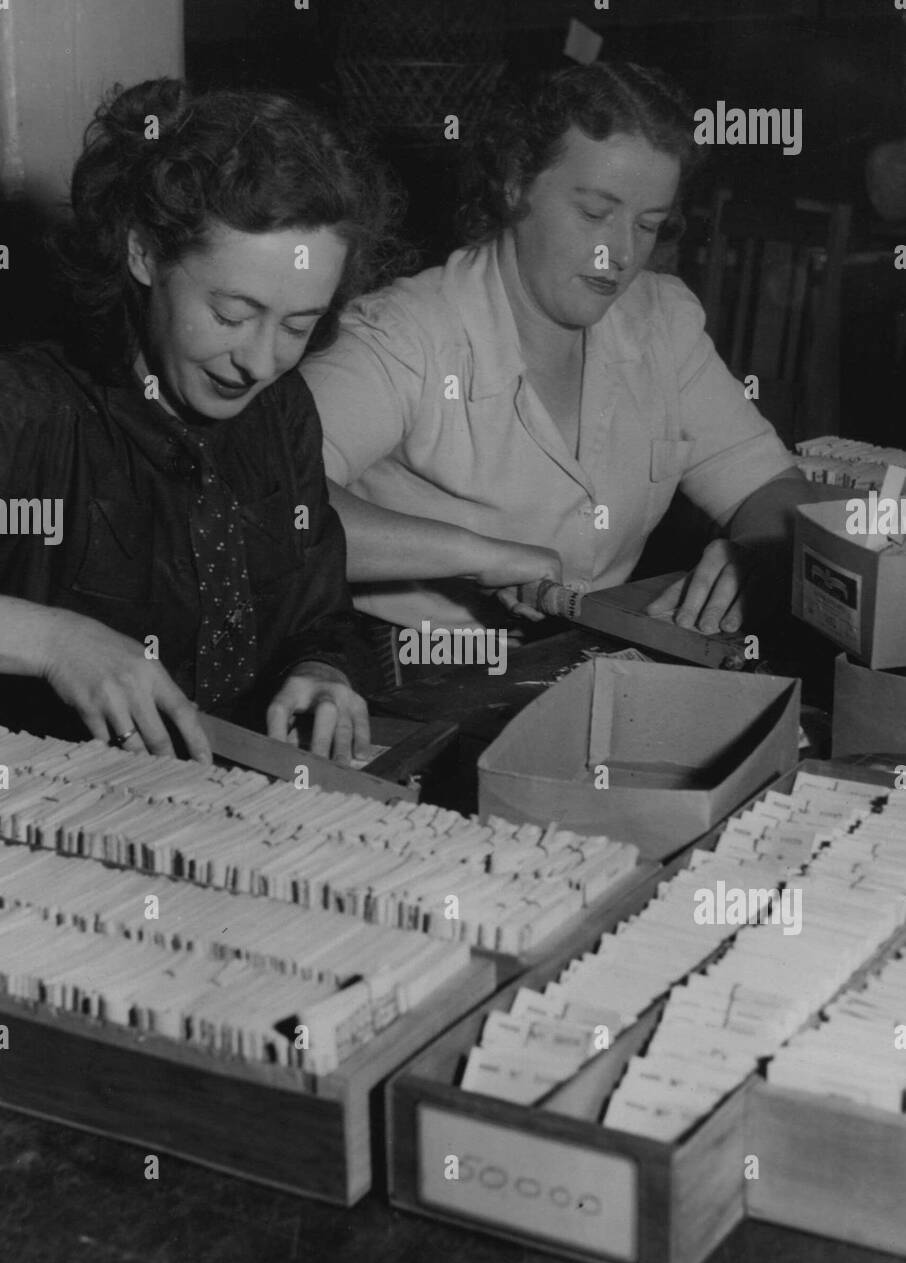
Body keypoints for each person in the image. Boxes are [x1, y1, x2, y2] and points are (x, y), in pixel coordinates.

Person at [301, 62, 815, 641]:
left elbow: (769, 487)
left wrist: (758, 552)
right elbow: (265, 501)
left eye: (648, 224)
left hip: (581, 655)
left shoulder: (661, 323)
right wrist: (470, 553)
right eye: (595, 214)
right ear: (516, 184)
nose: (619, 254)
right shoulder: (405, 335)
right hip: (400, 674)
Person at [0, 78, 416, 763]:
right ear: (144, 254)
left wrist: (323, 672)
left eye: (298, 326)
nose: (259, 362)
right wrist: (51, 641)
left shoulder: (280, 413)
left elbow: (320, 617)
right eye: (231, 314)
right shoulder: (30, 411)